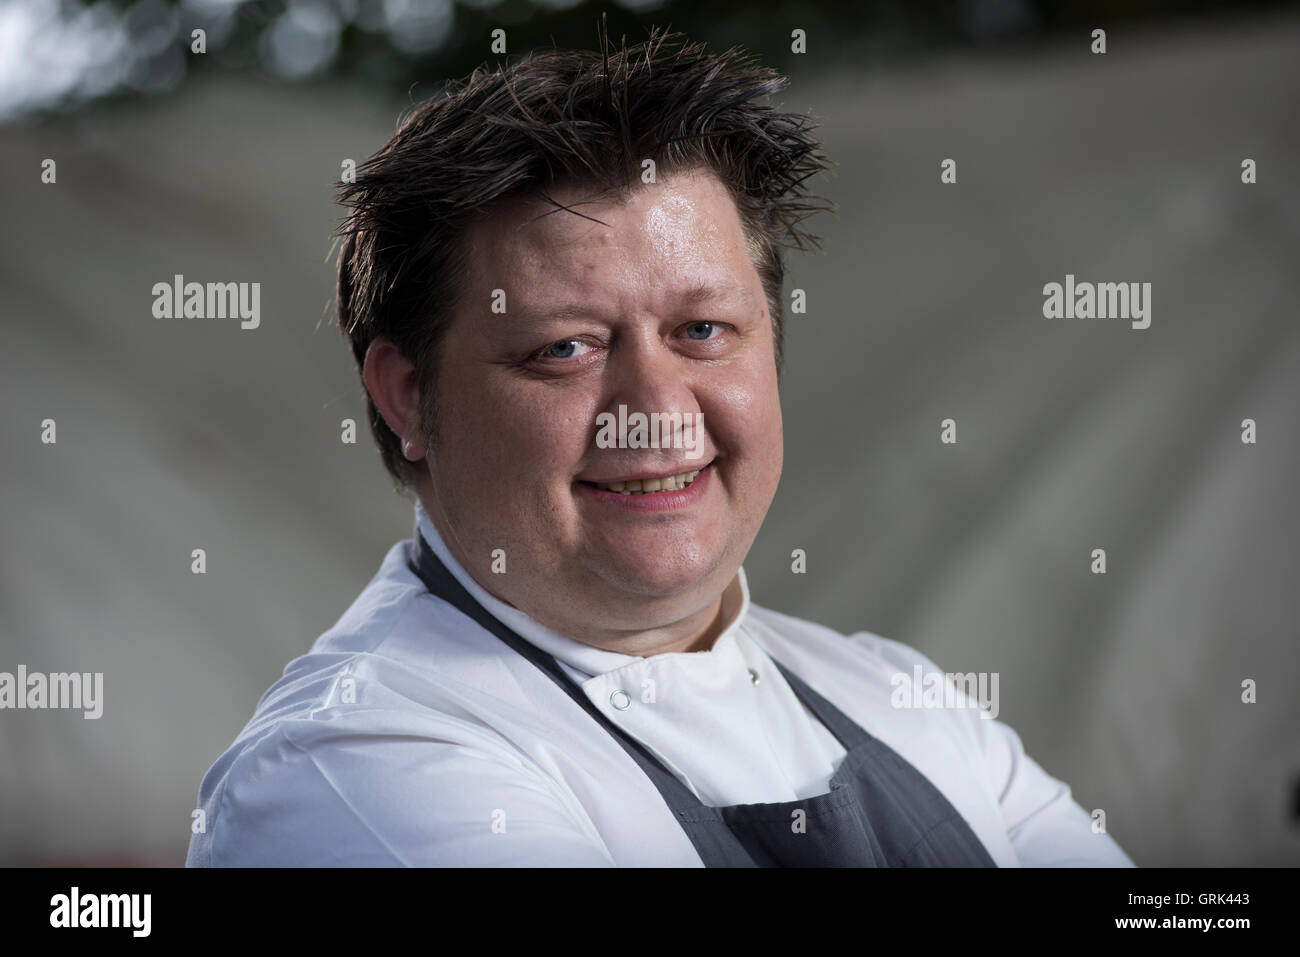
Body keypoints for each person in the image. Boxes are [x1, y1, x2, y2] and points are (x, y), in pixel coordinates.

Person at [186, 25, 1133, 867]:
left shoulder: (902, 698)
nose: (653, 409)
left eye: (704, 330)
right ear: (408, 398)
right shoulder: (350, 766)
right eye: (566, 347)